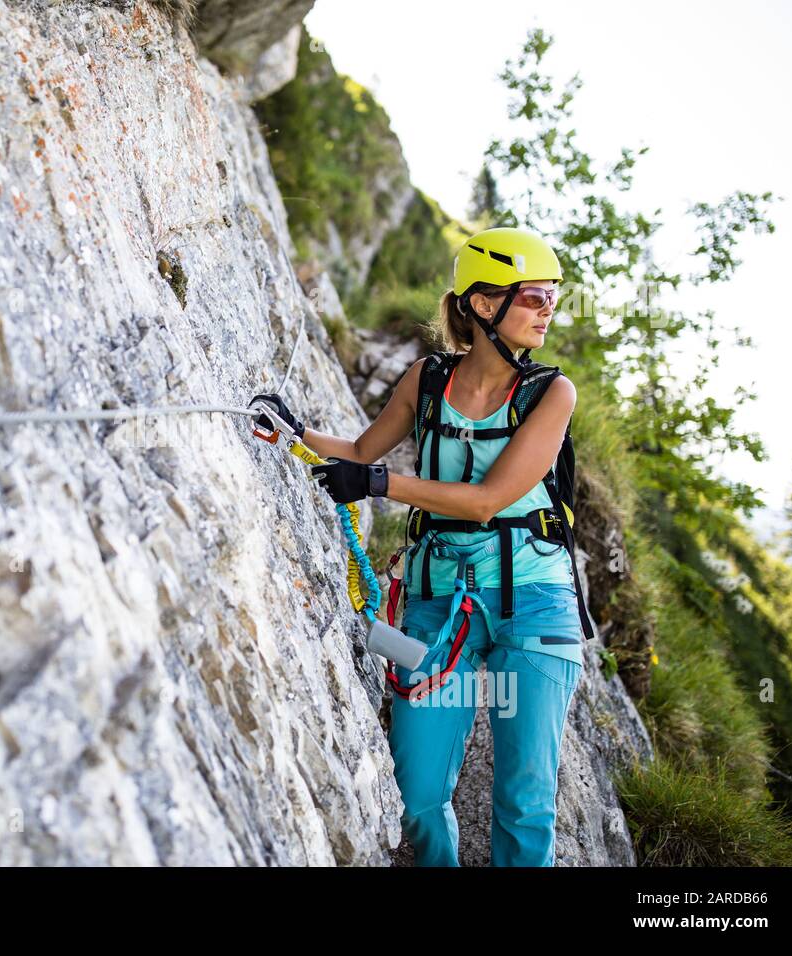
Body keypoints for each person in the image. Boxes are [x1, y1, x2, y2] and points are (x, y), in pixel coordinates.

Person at [249, 226, 585, 867]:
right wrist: (293, 430)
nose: (549, 309)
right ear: (485, 304)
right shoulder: (427, 381)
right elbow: (357, 451)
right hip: (437, 599)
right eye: (535, 296)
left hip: (536, 605)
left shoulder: (551, 392)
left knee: (525, 799)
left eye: (552, 297)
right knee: (418, 792)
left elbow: (489, 499)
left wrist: (378, 483)